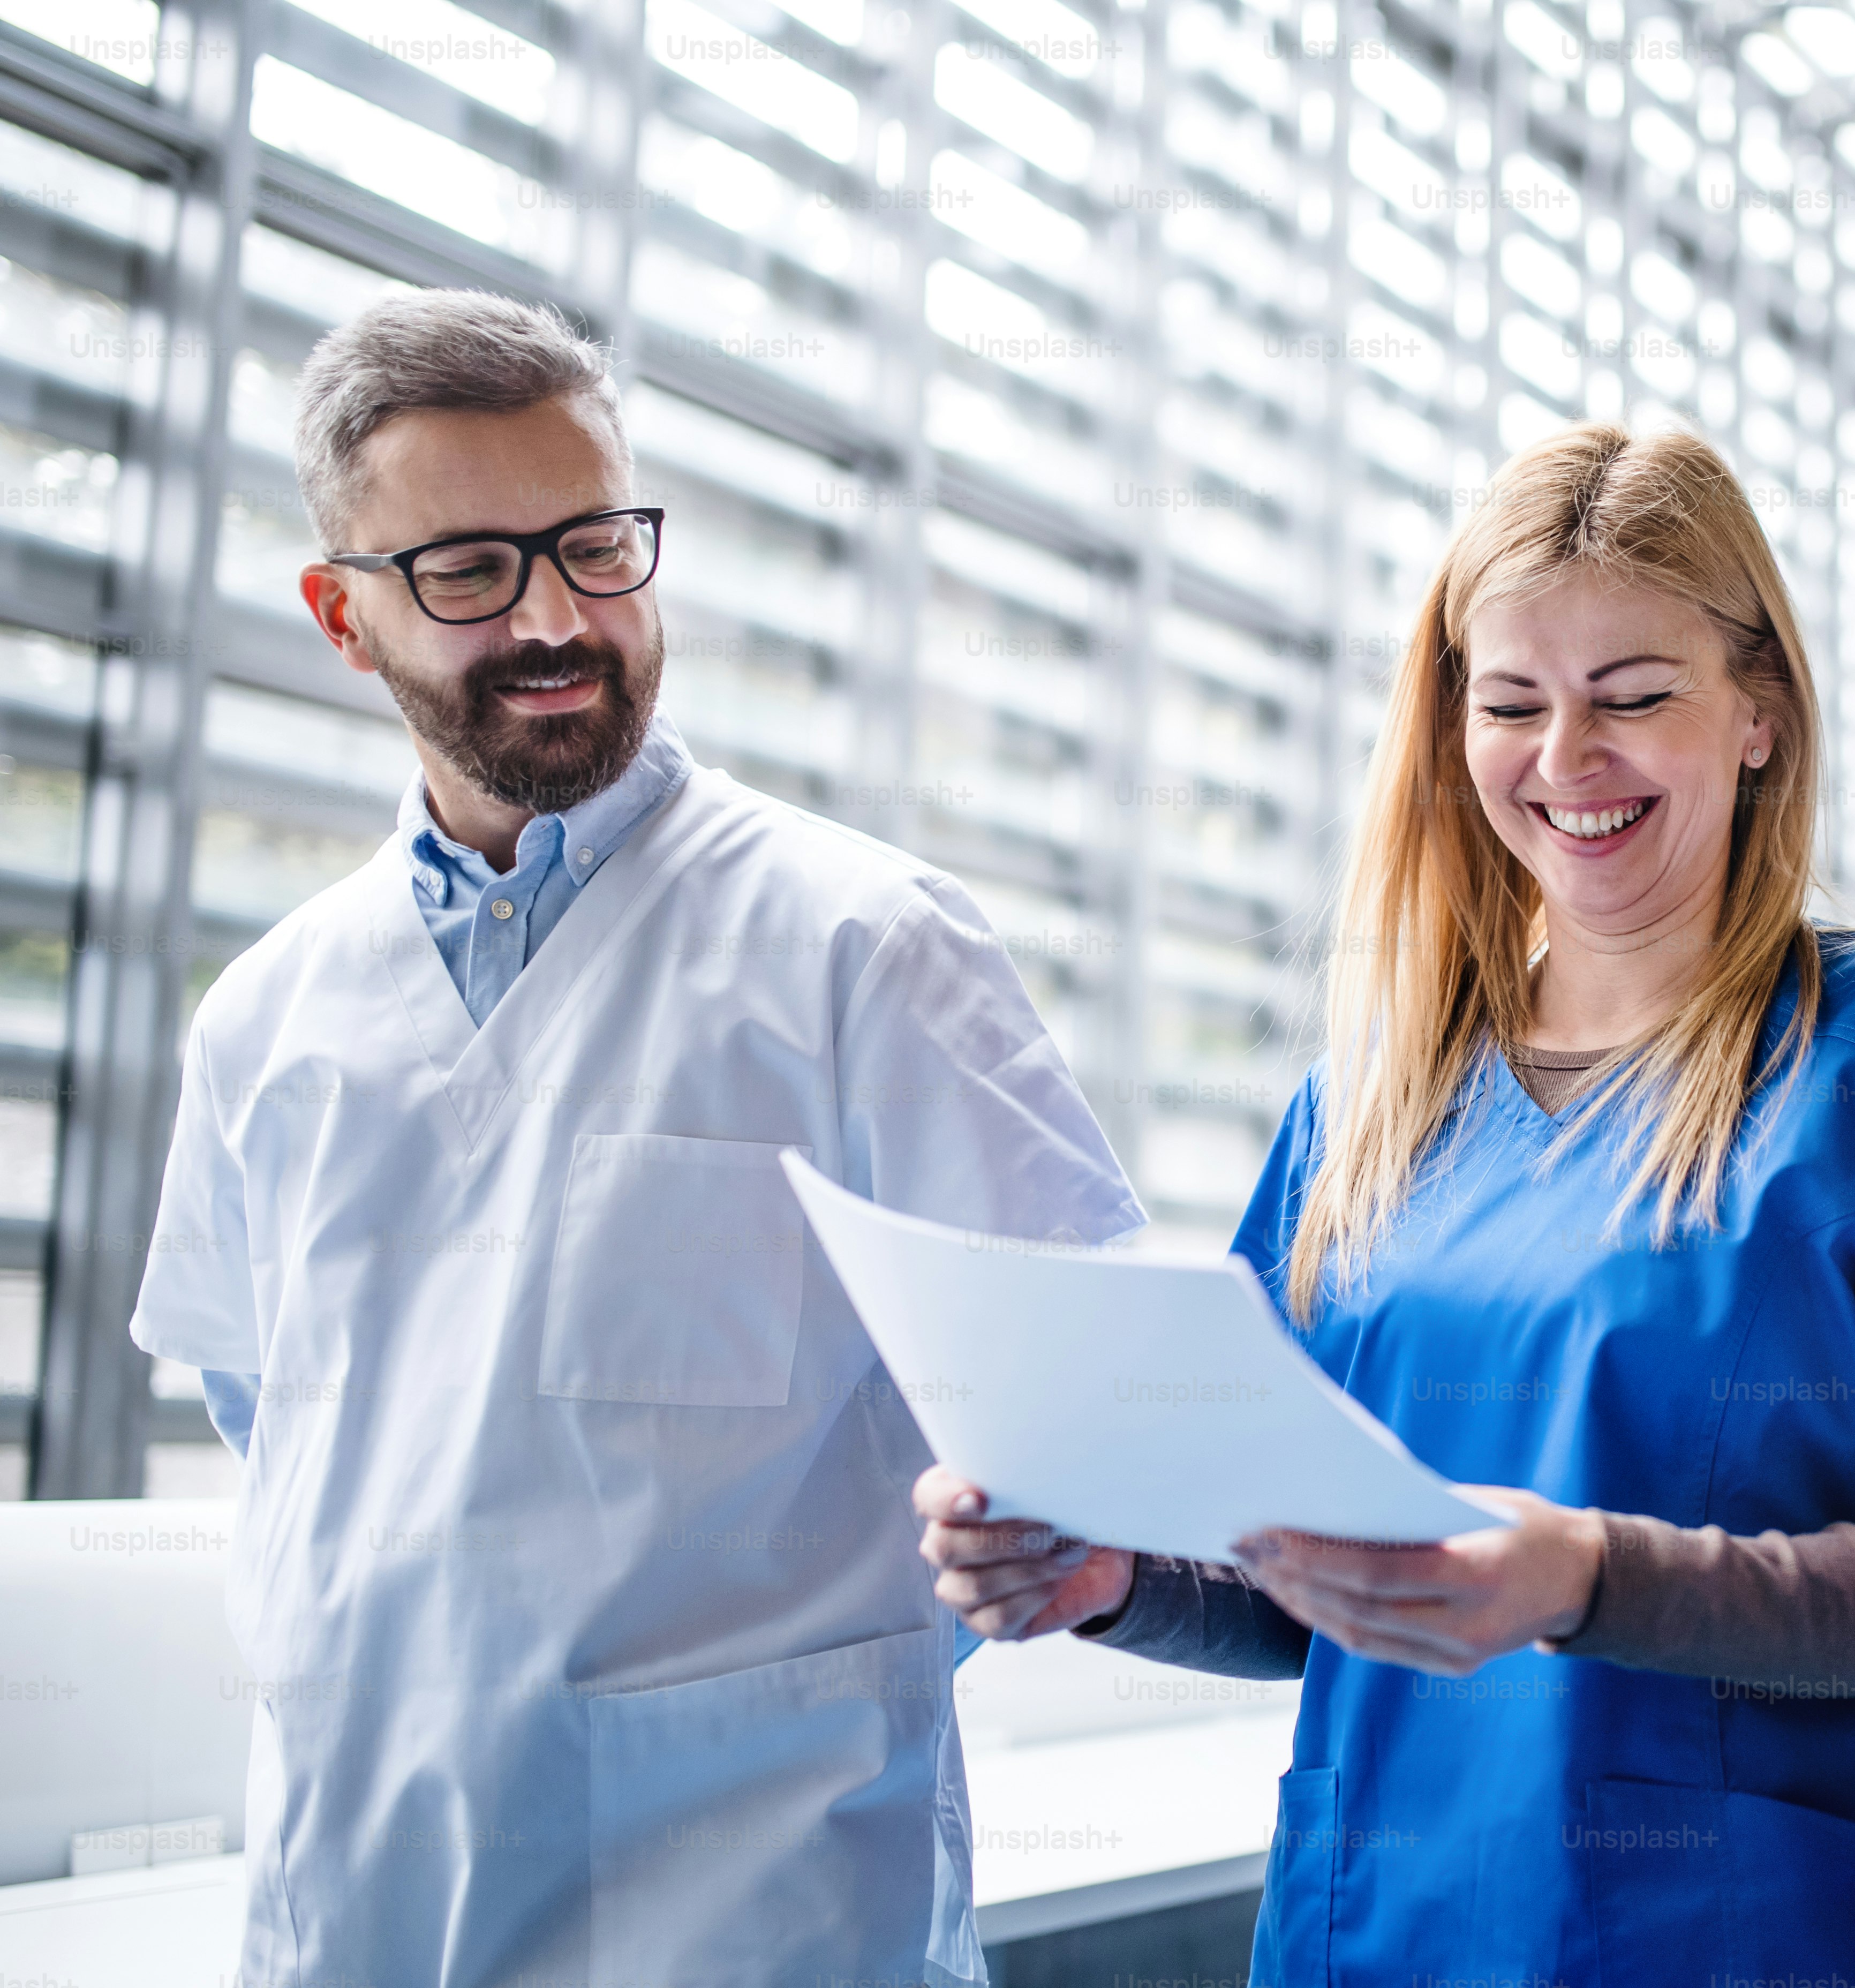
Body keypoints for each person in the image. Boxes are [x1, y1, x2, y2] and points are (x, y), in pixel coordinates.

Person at [916, 424, 1855, 1986]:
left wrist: (1588, 1576)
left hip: (1747, 1941)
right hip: (1382, 1933)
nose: (1565, 761)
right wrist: (1110, 1580)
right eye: (1512, 703)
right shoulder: (1372, 1103)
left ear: (1760, 719)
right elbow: (1295, 1579)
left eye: (1635, 697)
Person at [129, 291, 1141, 1987]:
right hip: (351, 1913)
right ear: (339, 614)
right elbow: (297, 1455)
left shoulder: (863, 951)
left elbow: (1100, 1408)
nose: (554, 617)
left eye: (596, 547)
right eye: (467, 571)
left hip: (763, 1927)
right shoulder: (265, 1020)